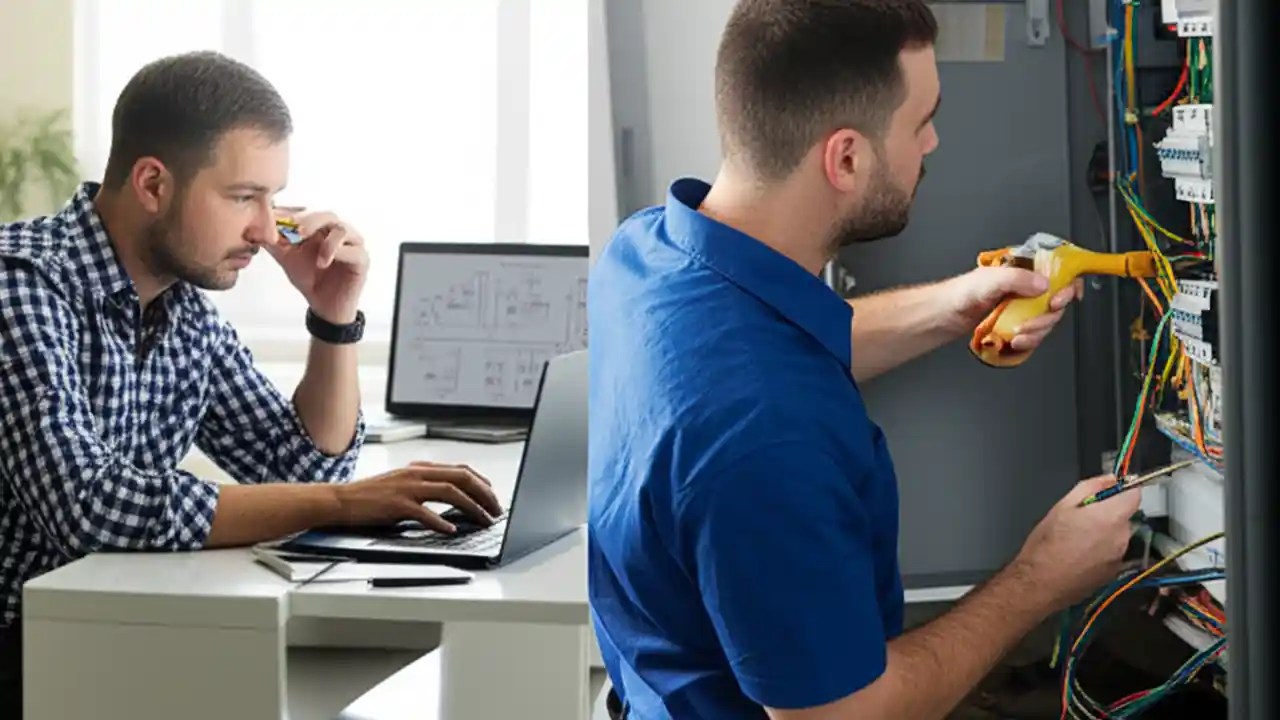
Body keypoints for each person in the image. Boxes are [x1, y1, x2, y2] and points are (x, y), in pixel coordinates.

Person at [587, 2, 1141, 719]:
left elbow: (772, 342)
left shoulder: (647, 256)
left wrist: (952, 305)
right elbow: (846, 716)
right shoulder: (763, 435)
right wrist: (1041, 576)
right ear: (846, 157)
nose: (934, 142)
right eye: (921, 122)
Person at [0, 51, 502, 715]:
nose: (268, 230)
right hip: (25, 649)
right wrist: (343, 505)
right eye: (243, 197)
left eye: (273, 198)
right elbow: (89, 505)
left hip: (102, 631)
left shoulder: (182, 309)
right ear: (153, 185)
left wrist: (333, 314)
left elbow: (299, 463)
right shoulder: (21, 281)